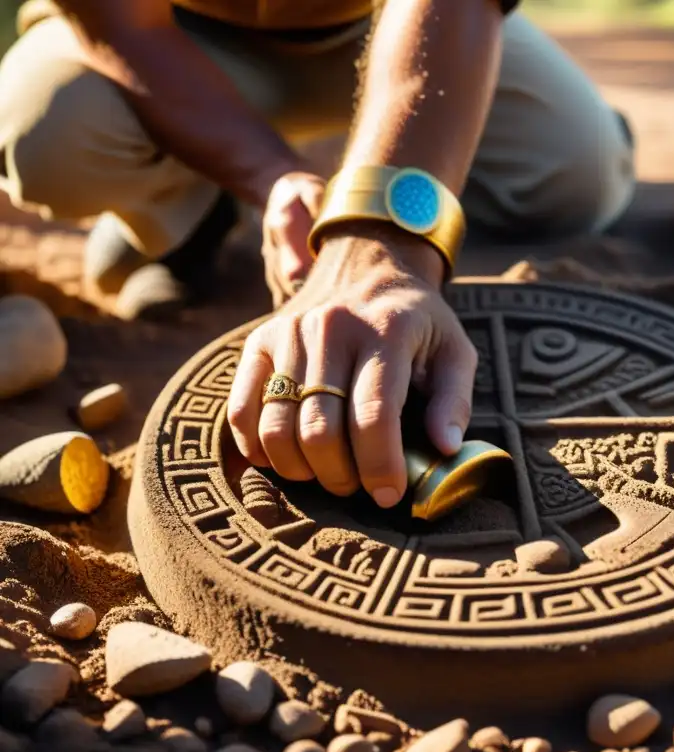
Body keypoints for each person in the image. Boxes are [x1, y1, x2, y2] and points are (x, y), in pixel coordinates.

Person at [0, 0, 636, 511]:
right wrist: (275, 177)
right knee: (45, 137)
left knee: (583, 173)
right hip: (177, 37)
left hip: (389, 25)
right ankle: (192, 208)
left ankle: (369, 156)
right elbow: (124, 29)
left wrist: (379, 238)